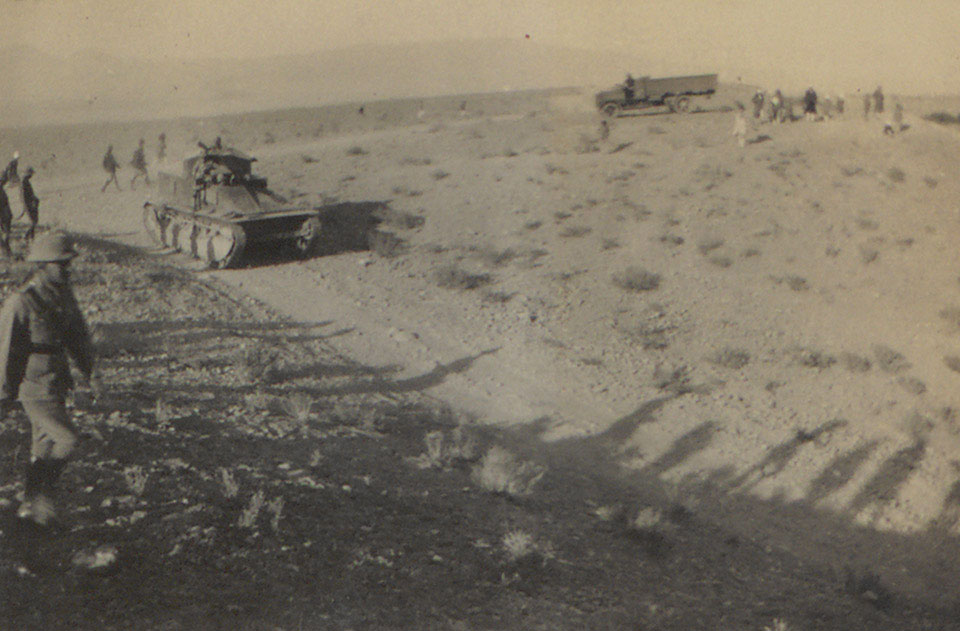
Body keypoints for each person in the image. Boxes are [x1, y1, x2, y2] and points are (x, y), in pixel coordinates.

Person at [0, 232, 94, 527]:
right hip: (33, 386)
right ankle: (42, 498)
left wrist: (90, 371)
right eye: (62, 264)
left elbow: (77, 335)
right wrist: (3, 394)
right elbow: (5, 352)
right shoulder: (21, 302)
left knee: (41, 447)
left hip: (56, 382)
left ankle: (31, 508)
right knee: (68, 439)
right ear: (42, 265)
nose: (68, 269)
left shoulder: (62, 294)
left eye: (69, 264)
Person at [20, 166, 39, 242]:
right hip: (29, 204)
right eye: (31, 174)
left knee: (34, 221)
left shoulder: (26, 181)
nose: (31, 175)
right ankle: (26, 236)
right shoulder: (24, 182)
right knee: (33, 221)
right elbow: (24, 196)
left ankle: (31, 237)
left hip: (31, 204)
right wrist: (29, 204)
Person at [0, 174, 11, 257]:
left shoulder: (1, 190)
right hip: (3, 216)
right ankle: (5, 252)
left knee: (6, 234)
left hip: (5, 216)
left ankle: (6, 251)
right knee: (5, 234)